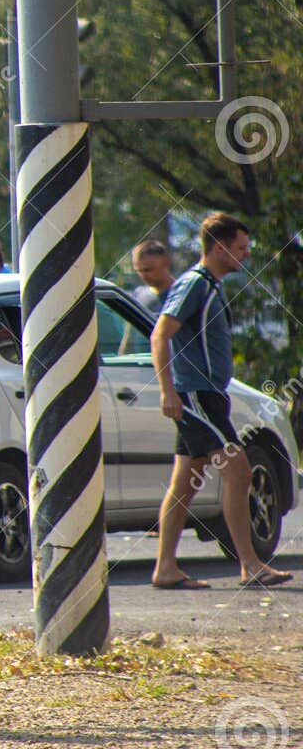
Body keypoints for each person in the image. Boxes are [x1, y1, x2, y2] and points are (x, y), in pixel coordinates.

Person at [149, 213, 291, 590]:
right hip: (197, 397)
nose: (245, 255)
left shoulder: (212, 285)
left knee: (184, 485)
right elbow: (160, 335)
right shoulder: (194, 285)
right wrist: (168, 391)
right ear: (220, 247)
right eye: (241, 248)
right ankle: (250, 564)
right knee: (239, 470)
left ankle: (165, 567)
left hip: (209, 395)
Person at [130, 239, 175, 317]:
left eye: (148, 270)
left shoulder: (181, 295)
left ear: (165, 263)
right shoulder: (137, 296)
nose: (143, 276)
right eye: (139, 271)